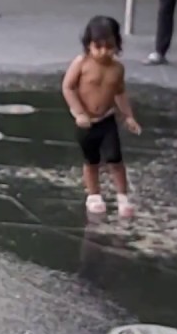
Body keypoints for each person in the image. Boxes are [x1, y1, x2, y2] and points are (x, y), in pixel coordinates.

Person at [61, 16, 142, 218]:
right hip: (86, 121)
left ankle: (122, 196)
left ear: (117, 45)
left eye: (110, 47)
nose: (104, 52)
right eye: (98, 47)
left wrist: (128, 116)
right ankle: (94, 194)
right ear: (88, 45)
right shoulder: (82, 63)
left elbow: (120, 92)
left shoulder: (117, 68)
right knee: (91, 160)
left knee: (115, 158)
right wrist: (78, 112)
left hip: (107, 119)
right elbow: (68, 87)